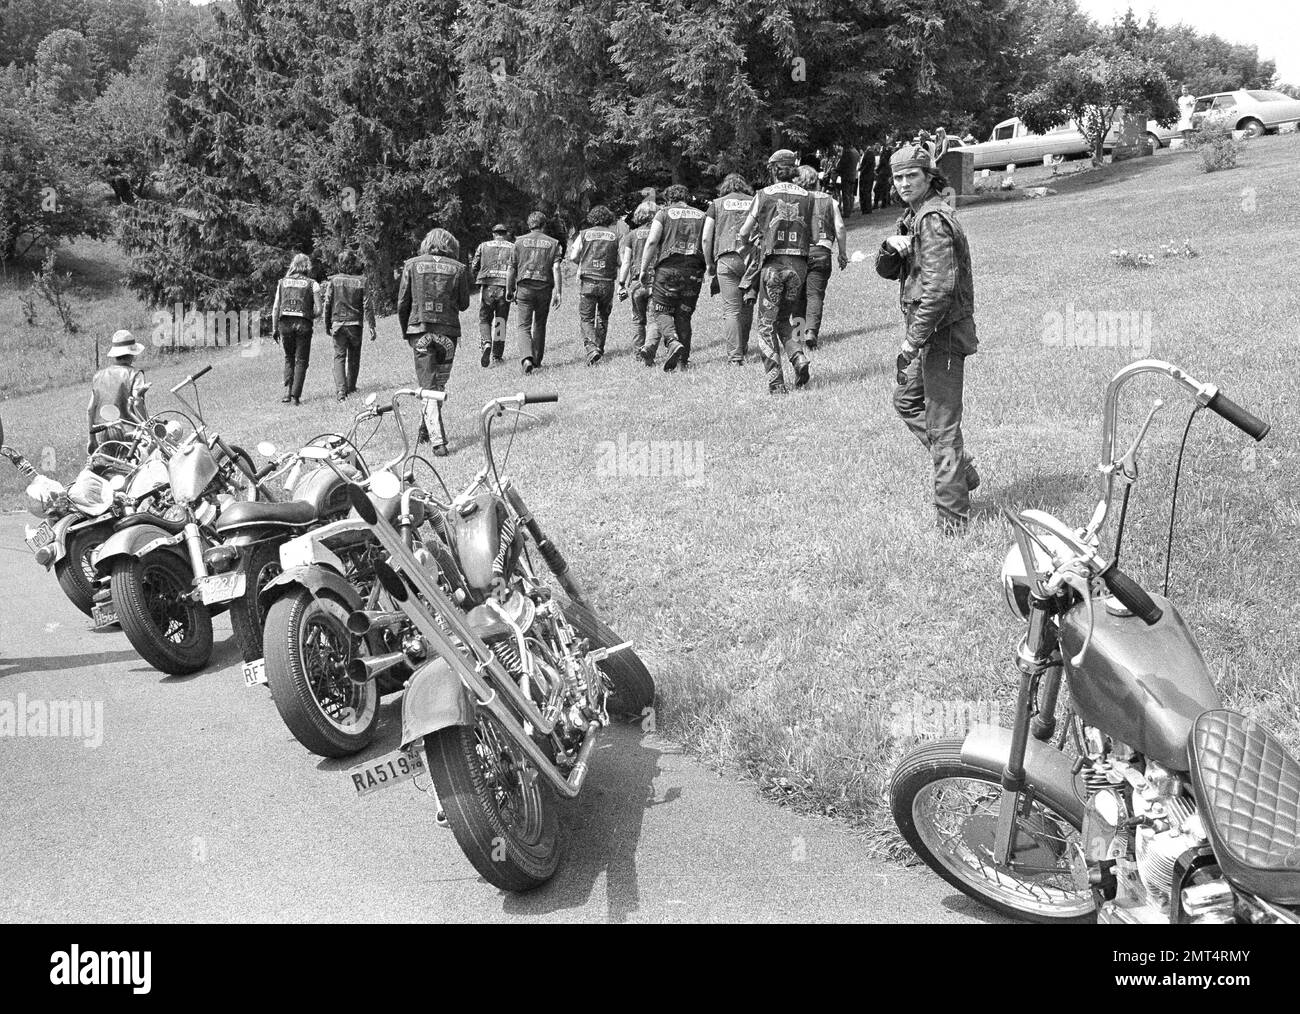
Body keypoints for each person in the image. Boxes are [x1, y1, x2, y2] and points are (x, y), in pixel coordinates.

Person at [875, 133, 981, 536]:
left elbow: (940, 289)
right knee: (906, 401)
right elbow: (887, 272)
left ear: (928, 176)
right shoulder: (913, 217)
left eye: (912, 176)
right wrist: (890, 248)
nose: (904, 184)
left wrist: (911, 340)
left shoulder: (933, 220)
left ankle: (952, 521)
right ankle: (962, 471)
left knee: (943, 428)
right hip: (927, 334)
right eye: (898, 177)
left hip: (942, 336)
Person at [736, 149, 816, 394]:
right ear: (793, 169)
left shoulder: (763, 195)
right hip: (799, 267)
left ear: (772, 169)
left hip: (772, 267)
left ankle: (776, 383)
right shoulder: (808, 196)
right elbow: (813, 235)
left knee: (765, 325)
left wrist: (751, 244)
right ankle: (798, 357)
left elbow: (743, 232)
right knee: (784, 318)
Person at [397, 227, 470, 455]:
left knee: (428, 386)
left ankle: (437, 441)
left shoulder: (411, 264)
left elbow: (402, 303)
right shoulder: (458, 268)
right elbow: (464, 303)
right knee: (437, 384)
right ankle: (427, 431)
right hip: (448, 333)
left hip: (420, 330)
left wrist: (406, 330)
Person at [638, 184, 706, 371]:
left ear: (668, 199)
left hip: (668, 269)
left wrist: (643, 268)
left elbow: (652, 240)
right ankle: (683, 362)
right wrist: (707, 266)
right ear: (687, 197)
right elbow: (707, 241)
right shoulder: (702, 215)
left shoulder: (663, 213)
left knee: (661, 310)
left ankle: (672, 341)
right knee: (684, 315)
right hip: (694, 270)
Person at [703, 173, 757, 365]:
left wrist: (709, 263)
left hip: (726, 258)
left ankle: (735, 357)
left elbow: (706, 237)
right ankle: (743, 346)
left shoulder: (716, 204)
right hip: (752, 259)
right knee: (747, 308)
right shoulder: (754, 201)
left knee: (731, 310)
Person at [793, 165, 848, 349]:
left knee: (797, 298)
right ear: (816, 180)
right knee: (815, 295)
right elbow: (839, 227)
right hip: (822, 251)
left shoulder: (794, 200)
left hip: (797, 253)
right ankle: (811, 332)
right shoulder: (829, 200)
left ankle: (798, 336)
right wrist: (842, 253)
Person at [506, 211, 563, 374]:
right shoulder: (553, 243)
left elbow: (511, 268)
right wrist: (558, 292)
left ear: (529, 225)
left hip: (524, 288)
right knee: (539, 324)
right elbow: (557, 267)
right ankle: (536, 360)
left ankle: (526, 358)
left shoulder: (518, 242)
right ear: (544, 225)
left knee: (523, 326)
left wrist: (509, 289)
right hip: (544, 288)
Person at [323, 250, 377, 401]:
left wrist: (327, 324)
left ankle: (341, 391)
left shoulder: (333, 281)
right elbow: (367, 304)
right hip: (355, 324)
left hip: (338, 324)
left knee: (339, 356)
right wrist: (372, 325)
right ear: (353, 263)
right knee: (354, 356)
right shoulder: (362, 281)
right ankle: (351, 386)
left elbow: (327, 303)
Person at [570, 205, 620, 365]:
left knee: (586, 318)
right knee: (603, 317)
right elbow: (620, 260)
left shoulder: (583, 234)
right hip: (607, 282)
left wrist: (582, 263)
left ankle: (592, 349)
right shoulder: (615, 235)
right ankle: (599, 347)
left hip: (588, 281)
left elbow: (573, 256)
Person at [86, 330, 148, 454]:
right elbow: (137, 403)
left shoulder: (98, 376)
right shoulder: (135, 374)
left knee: (109, 467)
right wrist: (145, 429)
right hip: (127, 432)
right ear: (132, 354)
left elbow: (90, 409)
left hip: (102, 433)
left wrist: (91, 438)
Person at [270, 253, 320, 405]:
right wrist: (308, 316)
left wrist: (274, 328)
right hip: (303, 324)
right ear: (307, 266)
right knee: (302, 360)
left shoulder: (282, 283)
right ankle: (295, 396)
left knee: (289, 357)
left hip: (285, 324)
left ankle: (286, 392)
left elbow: (276, 308)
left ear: (293, 265)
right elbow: (319, 310)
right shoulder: (313, 284)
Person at [617, 201, 659, 361]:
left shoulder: (631, 235)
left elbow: (626, 261)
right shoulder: (660, 233)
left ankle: (638, 354)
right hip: (656, 281)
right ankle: (648, 348)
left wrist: (621, 284)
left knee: (638, 320)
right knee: (655, 318)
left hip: (636, 283)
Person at [470, 223, 514, 367]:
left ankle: (486, 342)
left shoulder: (483, 246)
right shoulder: (512, 247)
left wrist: (479, 280)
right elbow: (516, 268)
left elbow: (474, 266)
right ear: (505, 233)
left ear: (493, 234)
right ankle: (497, 355)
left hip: (487, 288)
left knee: (484, 319)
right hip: (504, 289)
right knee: (500, 322)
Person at [837, 142, 861, 217]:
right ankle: (850, 210)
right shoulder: (856, 152)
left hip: (846, 175)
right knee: (850, 194)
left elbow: (842, 164)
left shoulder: (847, 152)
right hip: (853, 175)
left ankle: (846, 212)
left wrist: (836, 170)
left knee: (846, 195)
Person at [873, 139, 896, 211]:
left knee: (877, 189)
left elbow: (881, 164)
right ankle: (884, 203)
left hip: (883, 173)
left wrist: (876, 170)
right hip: (887, 173)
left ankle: (877, 204)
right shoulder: (890, 155)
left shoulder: (884, 156)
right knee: (885, 189)